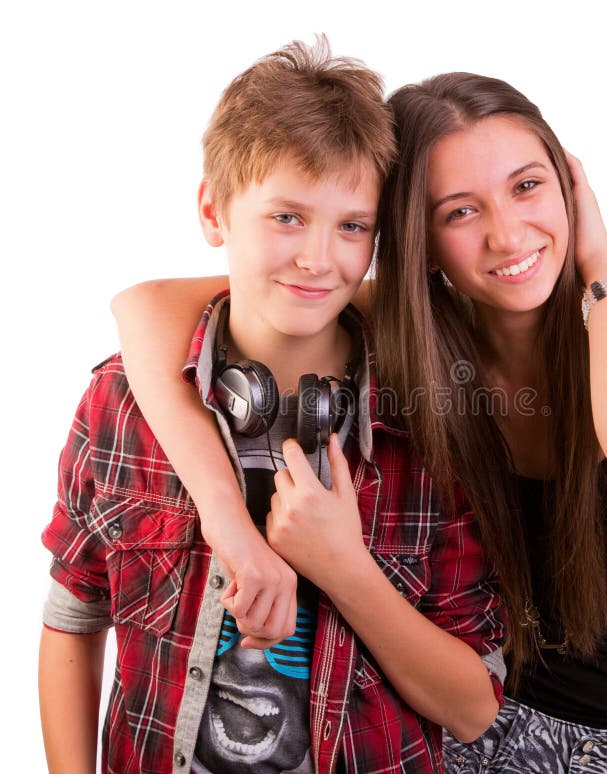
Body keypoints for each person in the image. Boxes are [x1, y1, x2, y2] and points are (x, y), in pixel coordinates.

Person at [110, 72, 607, 772]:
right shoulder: (417, 333)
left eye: (528, 186)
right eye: (460, 212)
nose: (507, 235)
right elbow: (145, 309)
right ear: (419, 238)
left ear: (573, 188)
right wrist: (229, 525)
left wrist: (598, 257)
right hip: (475, 734)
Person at [38, 43, 505, 774]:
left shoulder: (427, 423)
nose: (320, 258)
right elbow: (73, 618)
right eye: (287, 216)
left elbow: (475, 707)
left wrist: (346, 568)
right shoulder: (123, 398)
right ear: (212, 210)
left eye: (352, 226)